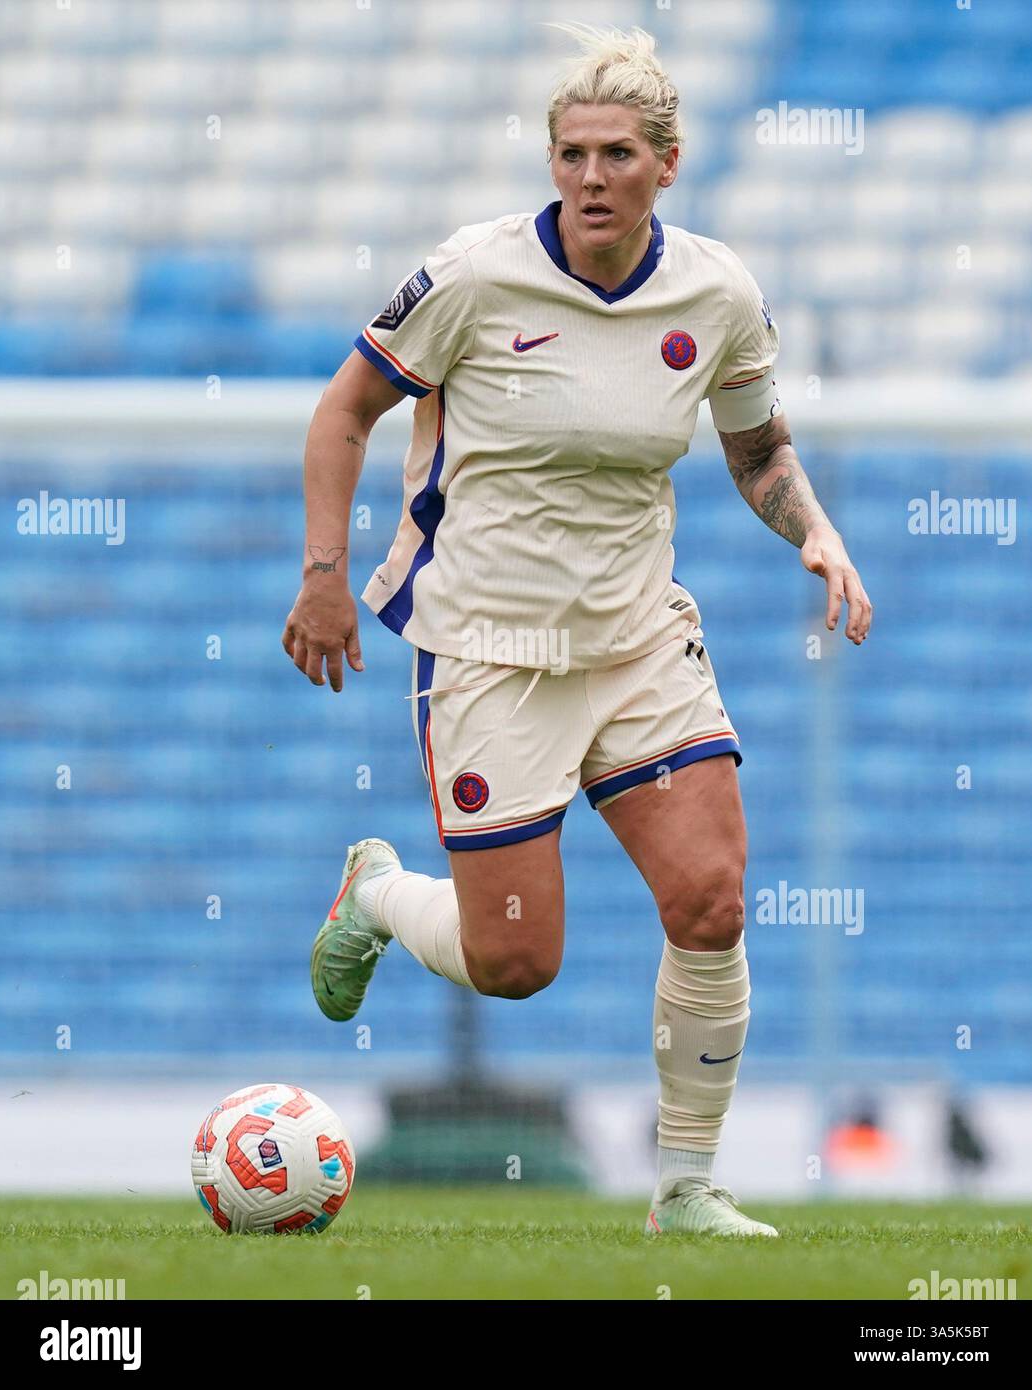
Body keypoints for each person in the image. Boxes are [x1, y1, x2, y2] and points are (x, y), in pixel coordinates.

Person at [282, 22, 872, 1237]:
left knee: (710, 902)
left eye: (614, 154)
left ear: (666, 162)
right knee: (516, 962)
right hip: (488, 645)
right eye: (569, 154)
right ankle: (379, 893)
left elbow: (757, 448)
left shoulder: (715, 292)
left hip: (639, 635)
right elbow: (342, 413)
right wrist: (325, 575)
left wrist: (811, 529)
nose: (589, 177)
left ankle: (687, 1188)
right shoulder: (473, 277)